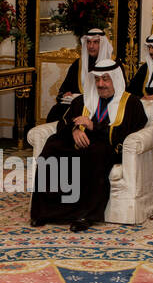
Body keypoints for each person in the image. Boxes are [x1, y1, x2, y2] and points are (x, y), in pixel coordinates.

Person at [29, 59, 146, 232]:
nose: (100, 84)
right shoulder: (82, 100)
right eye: (97, 79)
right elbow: (63, 123)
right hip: (78, 141)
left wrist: (94, 126)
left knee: (94, 153)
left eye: (106, 79)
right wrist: (75, 130)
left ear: (116, 79)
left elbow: (128, 132)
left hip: (106, 145)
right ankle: (44, 212)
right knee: (52, 147)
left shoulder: (131, 103)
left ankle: (84, 215)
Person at [46, 28, 111, 123]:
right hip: (78, 104)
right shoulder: (78, 64)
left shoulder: (113, 64)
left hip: (102, 106)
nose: (91, 46)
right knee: (56, 111)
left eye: (95, 42)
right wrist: (65, 94)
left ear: (103, 44)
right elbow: (64, 89)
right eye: (88, 42)